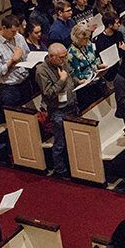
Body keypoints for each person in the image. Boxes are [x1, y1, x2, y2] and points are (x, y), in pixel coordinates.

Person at [36, 43, 78, 177]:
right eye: (61, 57)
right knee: (60, 143)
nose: (64, 60)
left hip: (72, 105)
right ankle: (60, 170)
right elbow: (48, 93)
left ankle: (73, 166)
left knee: (72, 140)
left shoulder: (63, 63)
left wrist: (79, 81)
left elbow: (71, 75)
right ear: (51, 57)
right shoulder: (42, 71)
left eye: (65, 57)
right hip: (58, 110)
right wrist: (61, 80)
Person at [0, 14, 33, 114]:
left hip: (25, 81)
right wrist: (13, 60)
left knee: (29, 113)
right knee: (14, 116)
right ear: (4, 28)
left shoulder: (19, 37)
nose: (15, 34)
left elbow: (27, 54)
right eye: (12, 31)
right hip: (11, 87)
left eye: (16, 31)